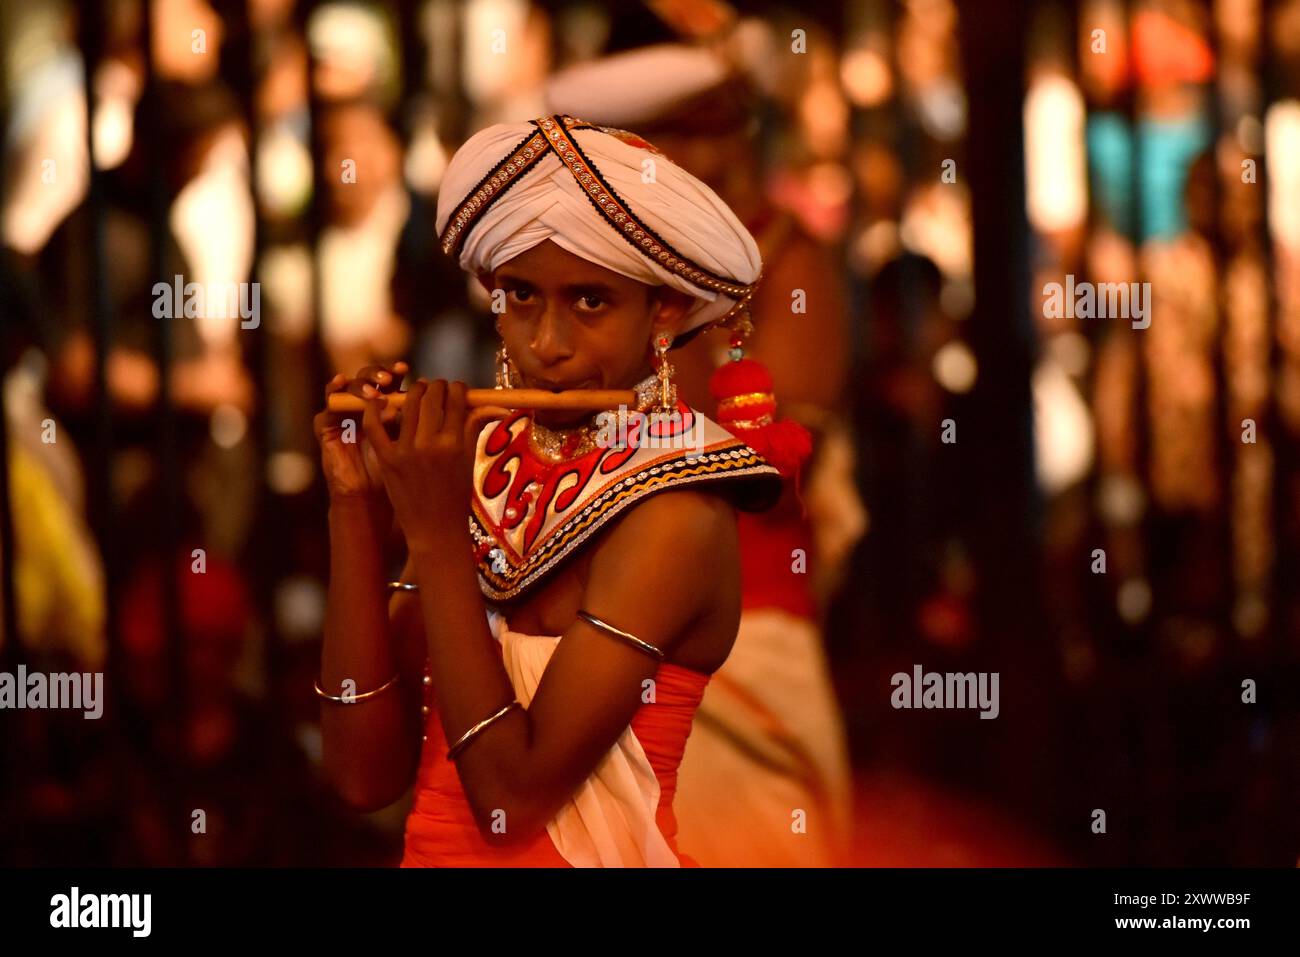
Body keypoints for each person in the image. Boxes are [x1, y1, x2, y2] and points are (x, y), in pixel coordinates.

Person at [314, 114, 785, 866]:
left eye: (590, 302)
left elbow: (512, 799)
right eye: (522, 297)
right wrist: (356, 510)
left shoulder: (678, 509)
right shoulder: (465, 465)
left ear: (662, 310)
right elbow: (362, 774)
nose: (546, 344)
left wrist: (434, 537)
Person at [544, 43, 859, 865]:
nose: (710, 160)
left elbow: (758, 463)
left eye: (717, 135)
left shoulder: (789, 263)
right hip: (602, 634)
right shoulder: (584, 283)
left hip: (749, 625)